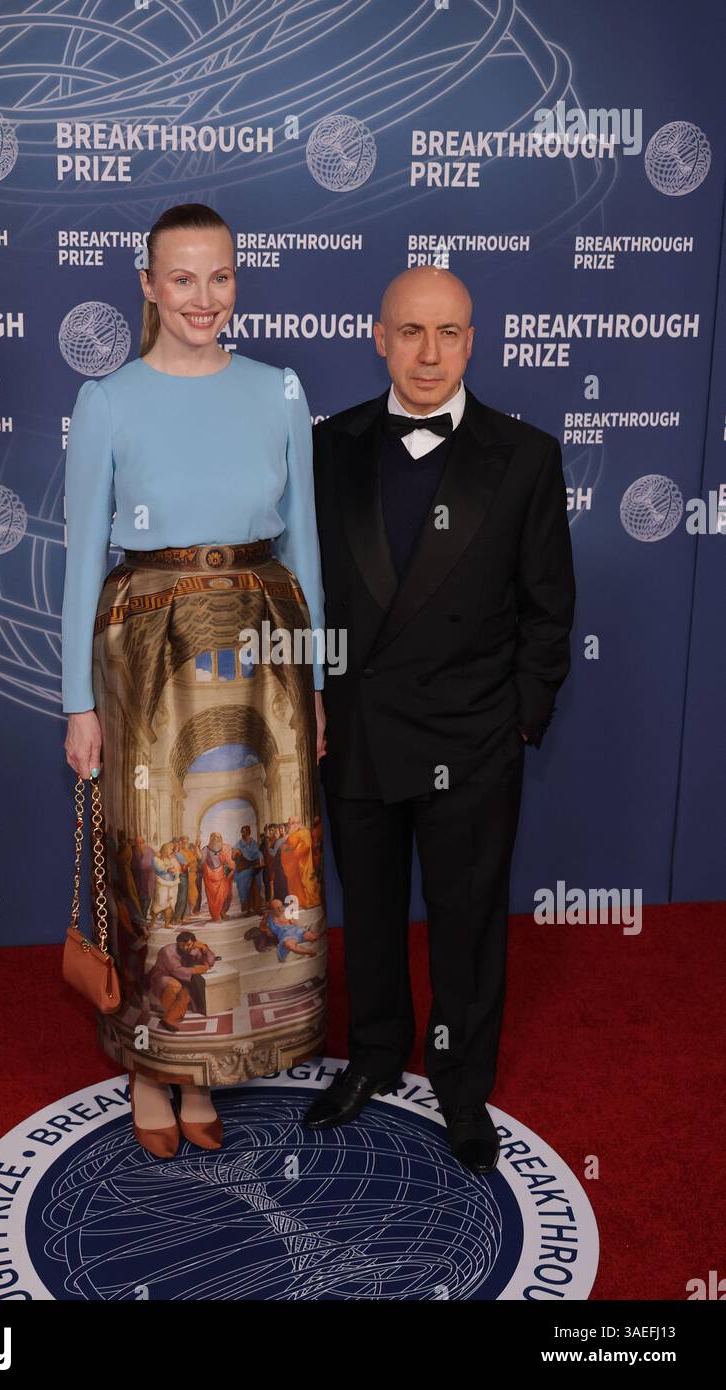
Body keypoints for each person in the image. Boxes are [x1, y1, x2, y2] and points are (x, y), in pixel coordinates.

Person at [61, 203, 328, 1159]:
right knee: (157, 856)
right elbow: (80, 558)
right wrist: (76, 701)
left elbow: (303, 546)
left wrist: (317, 680)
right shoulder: (109, 399)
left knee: (255, 859)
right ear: (147, 284)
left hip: (266, 643)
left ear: (236, 282)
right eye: (181, 279)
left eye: (218, 278)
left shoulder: (279, 390)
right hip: (144, 647)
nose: (201, 299)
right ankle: (152, 1066)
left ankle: (215, 1061)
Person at [305, 267, 575, 1174]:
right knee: (371, 913)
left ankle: (463, 1089)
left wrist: (519, 726)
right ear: (378, 336)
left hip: (474, 738)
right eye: (410, 331)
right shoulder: (326, 446)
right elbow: (304, 595)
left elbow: (548, 611)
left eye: (448, 333)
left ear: (473, 339)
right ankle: (375, 1057)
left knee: (466, 924)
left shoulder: (525, 456)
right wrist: (316, 697)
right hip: (359, 729)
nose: (429, 353)